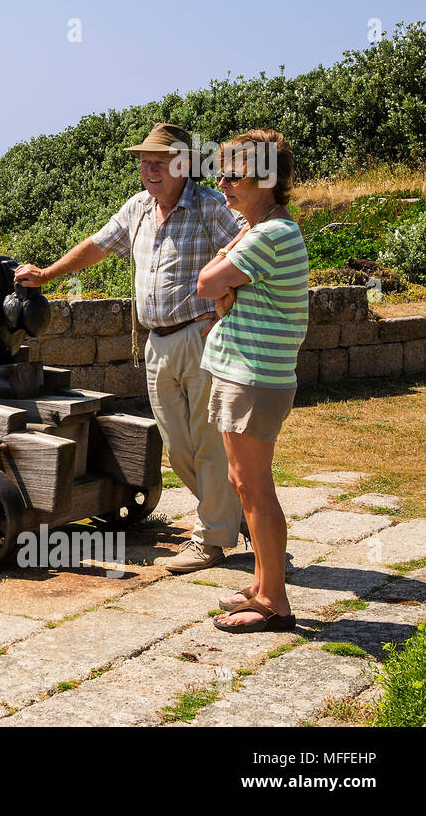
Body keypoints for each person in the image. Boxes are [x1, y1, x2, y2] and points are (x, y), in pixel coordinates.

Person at [15, 123, 247, 571]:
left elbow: (249, 245)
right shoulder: (139, 208)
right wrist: (46, 275)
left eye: (159, 160)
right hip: (156, 343)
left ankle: (212, 538)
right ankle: (237, 513)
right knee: (179, 448)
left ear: (183, 164)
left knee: (207, 444)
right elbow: (97, 247)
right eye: (144, 160)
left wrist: (220, 312)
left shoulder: (210, 207)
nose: (149, 168)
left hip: (199, 339)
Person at [197, 129, 308, 632]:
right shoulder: (264, 229)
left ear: (266, 178)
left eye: (233, 174)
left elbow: (206, 284)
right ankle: (263, 584)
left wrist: (224, 286)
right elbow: (219, 288)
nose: (222, 182)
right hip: (248, 372)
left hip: (254, 375)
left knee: (254, 488)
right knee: (245, 486)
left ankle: (274, 603)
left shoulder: (270, 235)